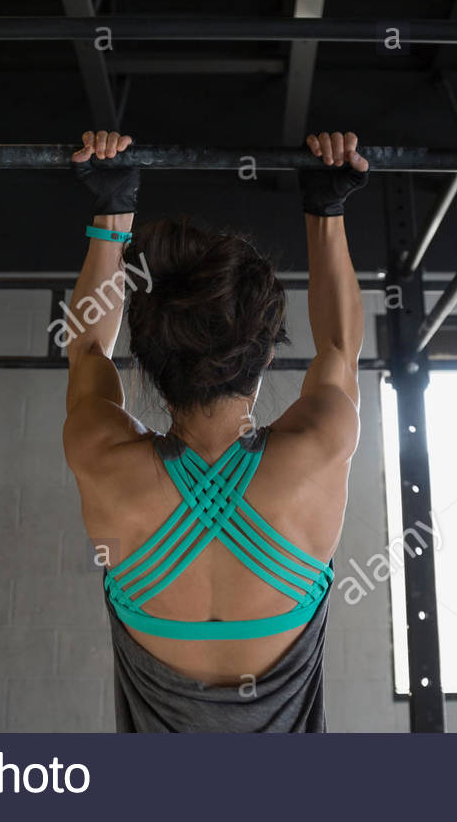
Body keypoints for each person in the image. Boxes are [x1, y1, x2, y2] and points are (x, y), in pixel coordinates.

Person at [61, 129, 367, 732]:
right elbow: (340, 347)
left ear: (145, 363)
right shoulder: (318, 451)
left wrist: (113, 206)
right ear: (266, 356)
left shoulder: (102, 458)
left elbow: (89, 347)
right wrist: (327, 208)